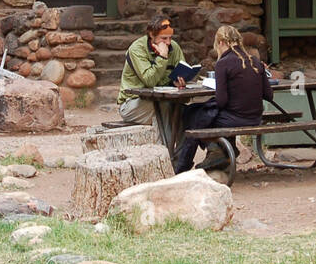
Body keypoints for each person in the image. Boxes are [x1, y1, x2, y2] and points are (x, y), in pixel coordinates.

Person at [173, 25, 273, 174]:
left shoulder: (223, 63)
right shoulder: (255, 61)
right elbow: (269, 95)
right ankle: (218, 152)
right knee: (203, 113)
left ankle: (185, 165)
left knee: (194, 114)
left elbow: (221, 101)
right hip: (255, 118)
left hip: (235, 119)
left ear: (220, 43)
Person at [116, 11, 184, 124]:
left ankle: (181, 142)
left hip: (162, 98)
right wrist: (162, 57)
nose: (168, 42)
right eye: (164, 38)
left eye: (170, 38)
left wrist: (180, 81)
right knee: (165, 106)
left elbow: (182, 69)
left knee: (183, 109)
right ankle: (165, 142)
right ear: (152, 35)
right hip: (132, 104)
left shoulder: (174, 47)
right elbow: (149, 80)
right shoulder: (137, 49)